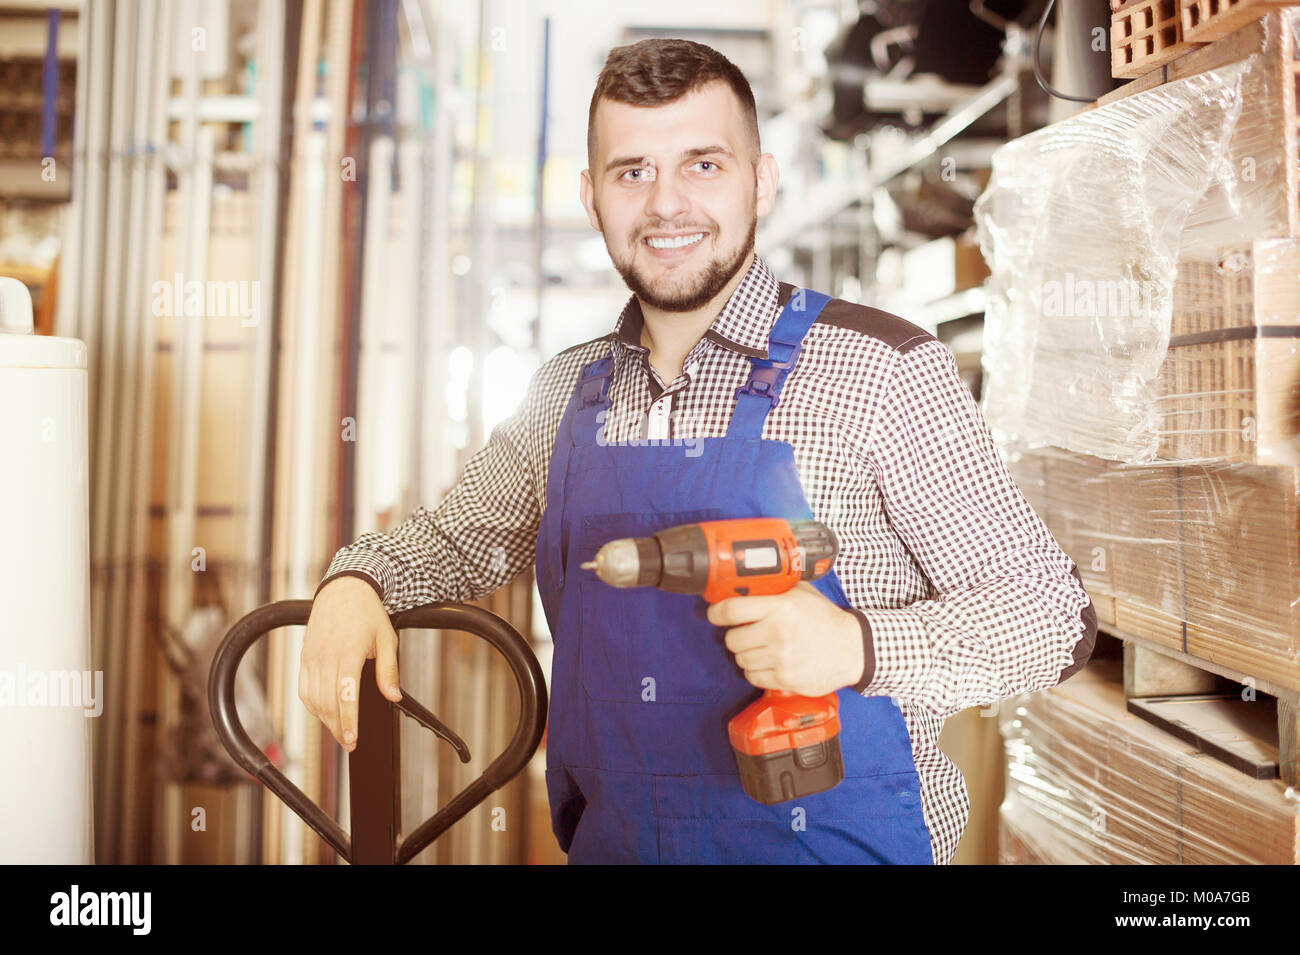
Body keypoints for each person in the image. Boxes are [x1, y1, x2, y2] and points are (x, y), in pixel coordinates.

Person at [299, 37, 1096, 865]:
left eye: (704, 165)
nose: (666, 204)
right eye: (632, 171)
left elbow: (1050, 620)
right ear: (592, 196)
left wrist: (859, 647)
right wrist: (357, 581)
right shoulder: (564, 397)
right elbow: (455, 543)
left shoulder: (881, 372)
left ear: (763, 179)